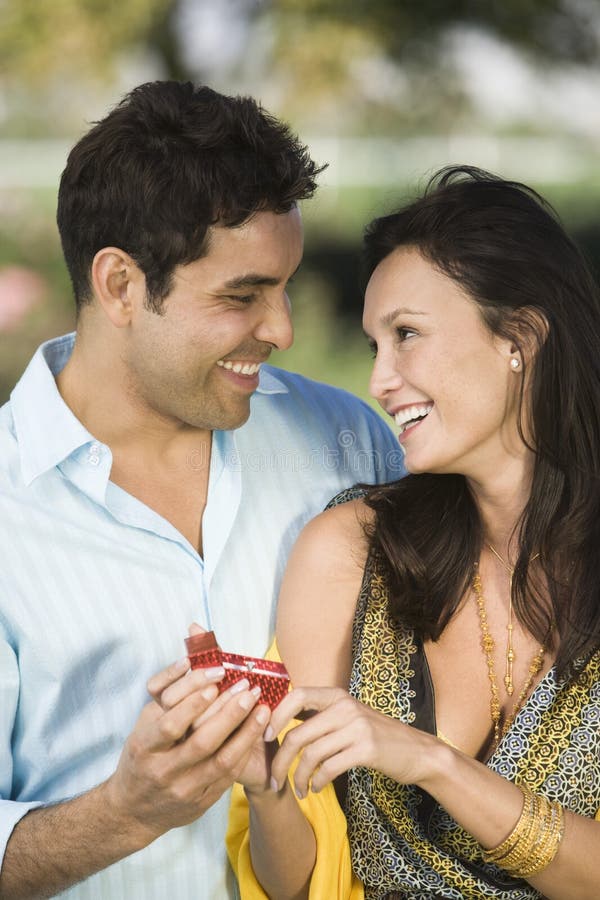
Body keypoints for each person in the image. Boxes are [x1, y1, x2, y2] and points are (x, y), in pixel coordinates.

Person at [0, 80, 402, 899]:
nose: (282, 329)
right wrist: (125, 813)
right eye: (241, 296)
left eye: (283, 288)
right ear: (120, 285)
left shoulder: (348, 442)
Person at [227, 166, 600, 899]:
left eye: (406, 335)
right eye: (375, 346)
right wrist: (268, 792)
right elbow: (300, 884)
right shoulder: (349, 551)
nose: (380, 381)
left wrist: (432, 762)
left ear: (520, 337)